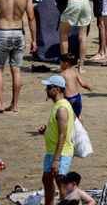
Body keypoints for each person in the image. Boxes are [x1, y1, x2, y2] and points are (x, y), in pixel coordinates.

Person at [40, 75, 76, 205]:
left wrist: (56, 159)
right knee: (47, 179)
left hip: (61, 153)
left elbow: (63, 135)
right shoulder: (58, 105)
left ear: (57, 89)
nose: (46, 89)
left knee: (62, 184)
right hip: (52, 151)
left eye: (48, 87)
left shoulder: (62, 108)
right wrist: (47, 129)